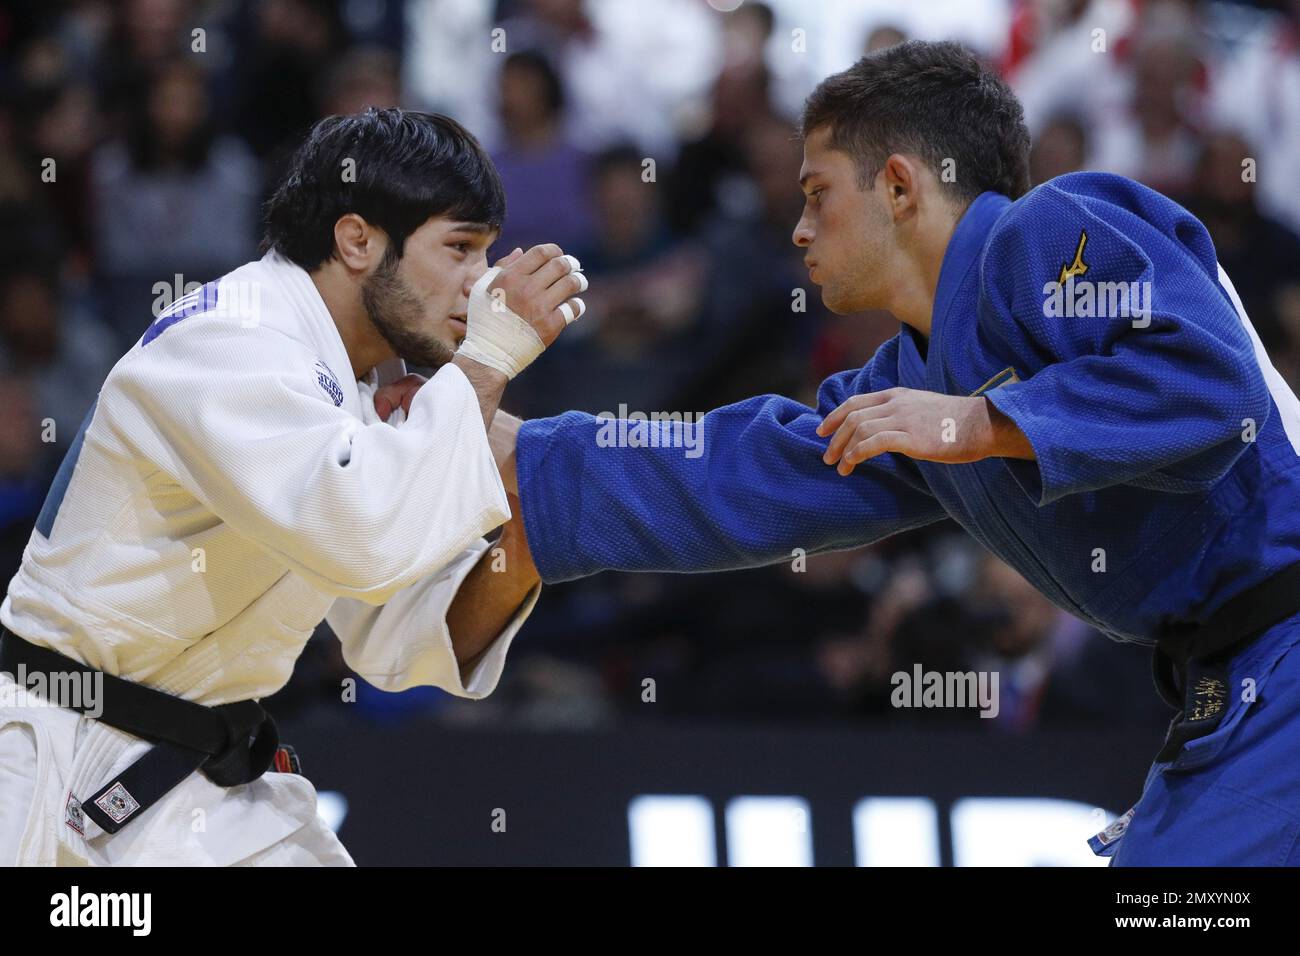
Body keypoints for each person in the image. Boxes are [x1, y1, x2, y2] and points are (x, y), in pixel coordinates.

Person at [442, 41, 1300, 865]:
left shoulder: (1050, 229)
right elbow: (743, 472)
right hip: (1230, 680)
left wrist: (974, 423)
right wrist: (534, 458)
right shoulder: (910, 388)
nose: (800, 231)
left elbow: (1210, 385)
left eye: (818, 194)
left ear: (898, 186)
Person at [0, 107, 586, 866]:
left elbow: (399, 635)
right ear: (356, 239)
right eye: (460, 250)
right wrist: (491, 356)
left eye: (487, 253)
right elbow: (364, 544)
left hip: (192, 772)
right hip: (51, 759)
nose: (482, 287)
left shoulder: (344, 378)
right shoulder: (234, 340)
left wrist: (533, 526)